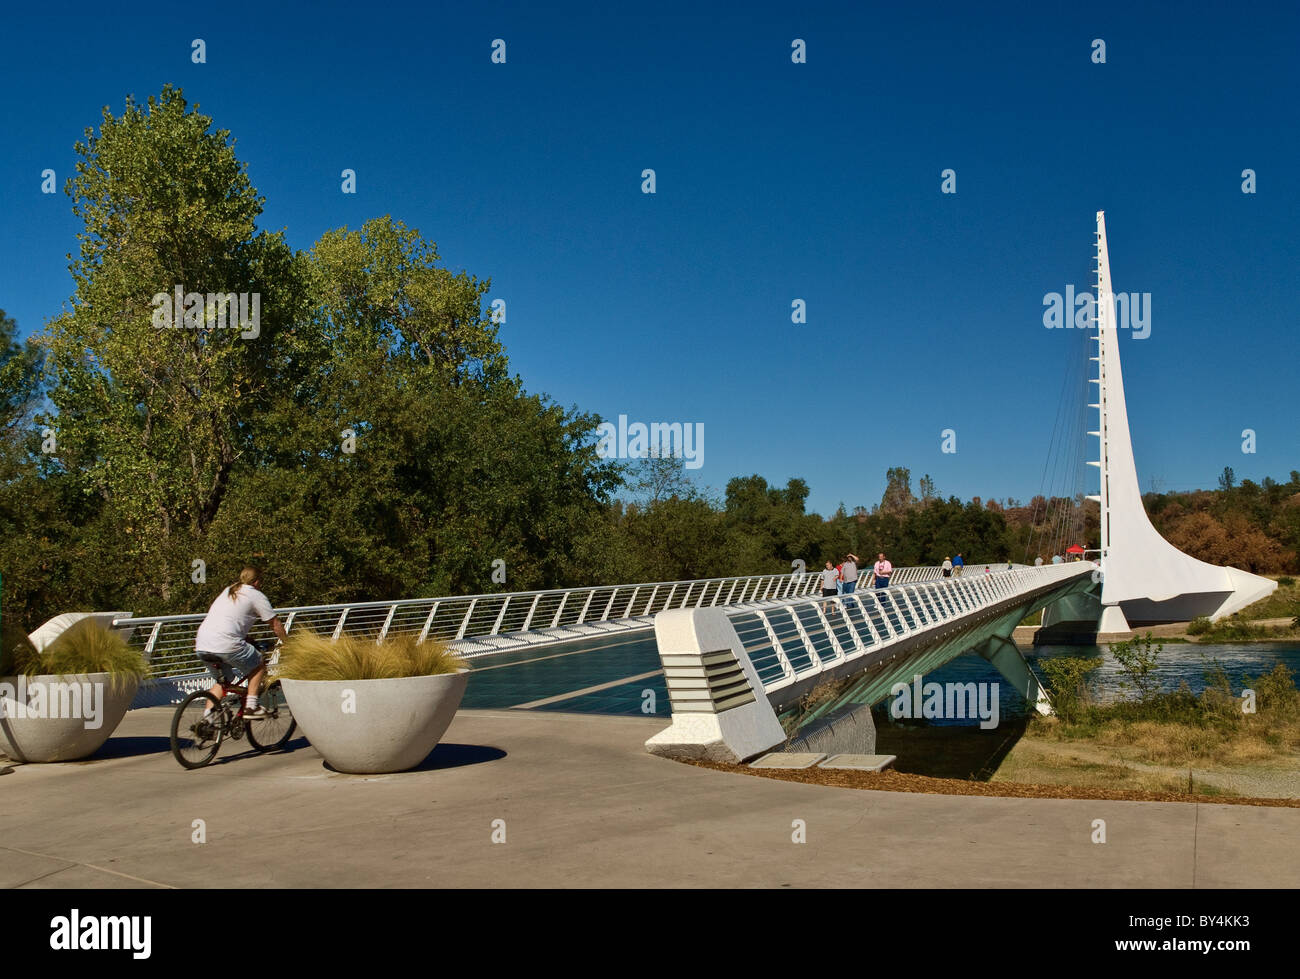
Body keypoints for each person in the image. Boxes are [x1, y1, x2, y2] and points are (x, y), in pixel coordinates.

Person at [194, 566, 288, 719]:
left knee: (223, 681)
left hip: (202, 643)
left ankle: (207, 720)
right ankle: (251, 706)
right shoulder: (256, 595)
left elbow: (228, 621)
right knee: (258, 666)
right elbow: (275, 624)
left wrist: (247, 639)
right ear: (257, 582)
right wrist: (287, 642)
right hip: (226, 643)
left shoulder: (229, 590)